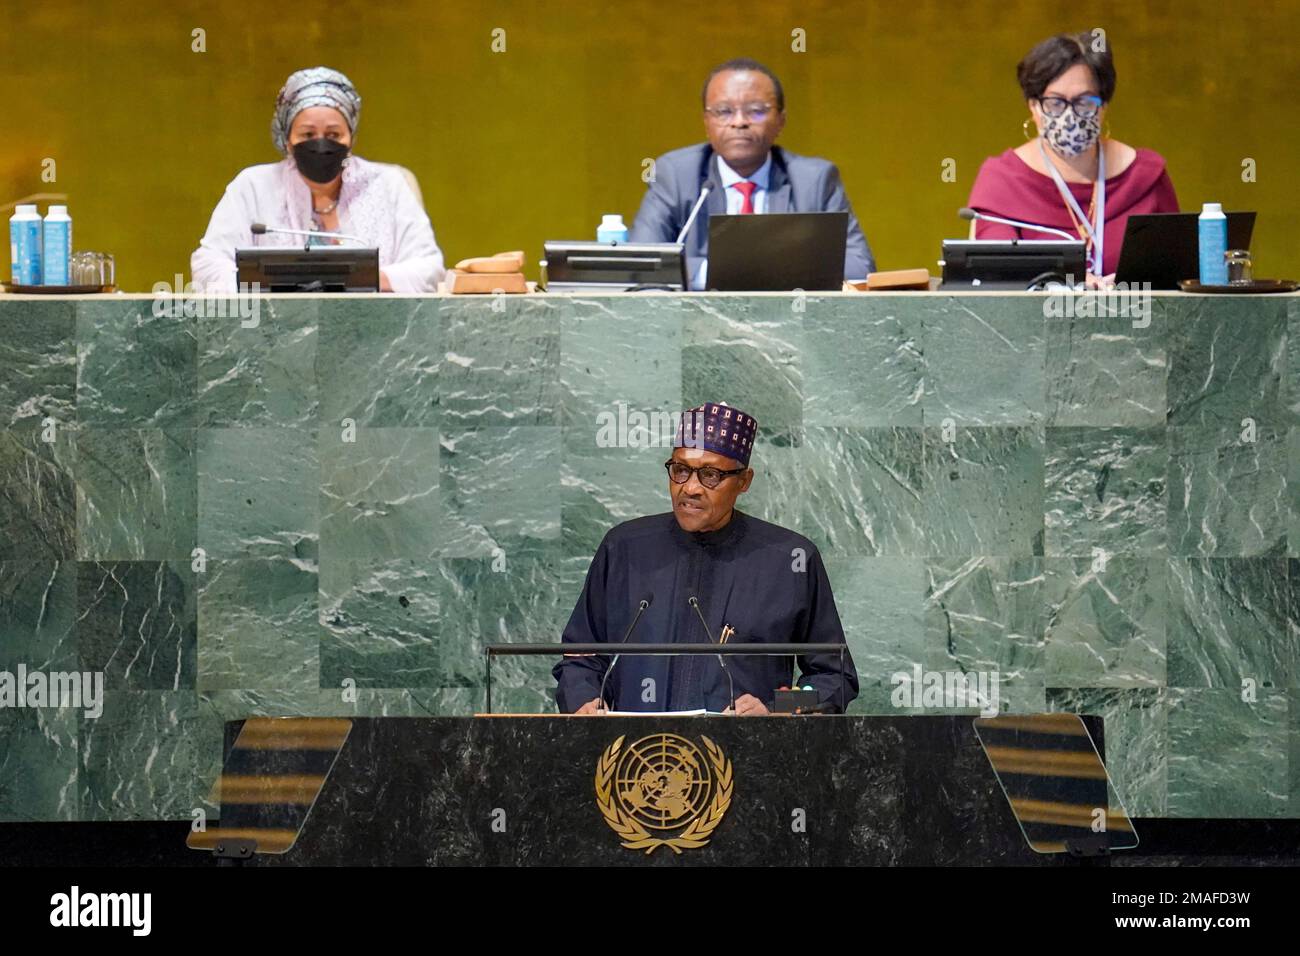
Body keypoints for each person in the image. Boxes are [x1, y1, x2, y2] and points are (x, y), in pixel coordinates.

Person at [553, 402, 859, 715]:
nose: (691, 488)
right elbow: (580, 656)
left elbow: (835, 678)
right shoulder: (624, 547)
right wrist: (583, 703)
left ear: (744, 481)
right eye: (680, 470)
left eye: (710, 475)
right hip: (636, 757)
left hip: (746, 757)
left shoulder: (790, 559)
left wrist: (777, 708)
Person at [191, 66, 444, 292]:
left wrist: (366, 279)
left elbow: (429, 268)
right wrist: (273, 284)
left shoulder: (389, 185)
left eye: (333, 135)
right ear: (287, 140)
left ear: (351, 139)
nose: (321, 144)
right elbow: (207, 266)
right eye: (307, 134)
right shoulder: (253, 186)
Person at [629, 58, 874, 287]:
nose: (739, 122)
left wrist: (758, 271)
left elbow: (860, 267)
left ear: (781, 121)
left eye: (756, 111)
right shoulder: (675, 174)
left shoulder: (815, 180)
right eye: (724, 112)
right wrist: (723, 273)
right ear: (706, 122)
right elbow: (643, 261)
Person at [967, 33, 1179, 287]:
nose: (1070, 116)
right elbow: (994, 275)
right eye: (1055, 103)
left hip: (1136, 320)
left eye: (1084, 101)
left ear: (1103, 107)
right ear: (1033, 107)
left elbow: (1175, 276)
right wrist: (1067, 282)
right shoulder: (1002, 180)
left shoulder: (1145, 177)